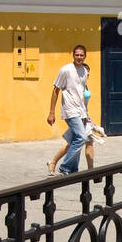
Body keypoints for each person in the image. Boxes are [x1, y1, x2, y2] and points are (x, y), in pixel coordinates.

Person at [47, 45, 92, 175]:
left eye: (81, 55)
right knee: (81, 138)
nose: (79, 57)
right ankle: (65, 167)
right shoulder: (65, 70)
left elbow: (81, 92)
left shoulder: (84, 71)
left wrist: (86, 114)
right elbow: (56, 91)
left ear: (85, 56)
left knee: (75, 140)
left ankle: (72, 169)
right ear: (73, 55)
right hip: (69, 110)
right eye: (77, 55)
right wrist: (51, 112)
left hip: (81, 111)